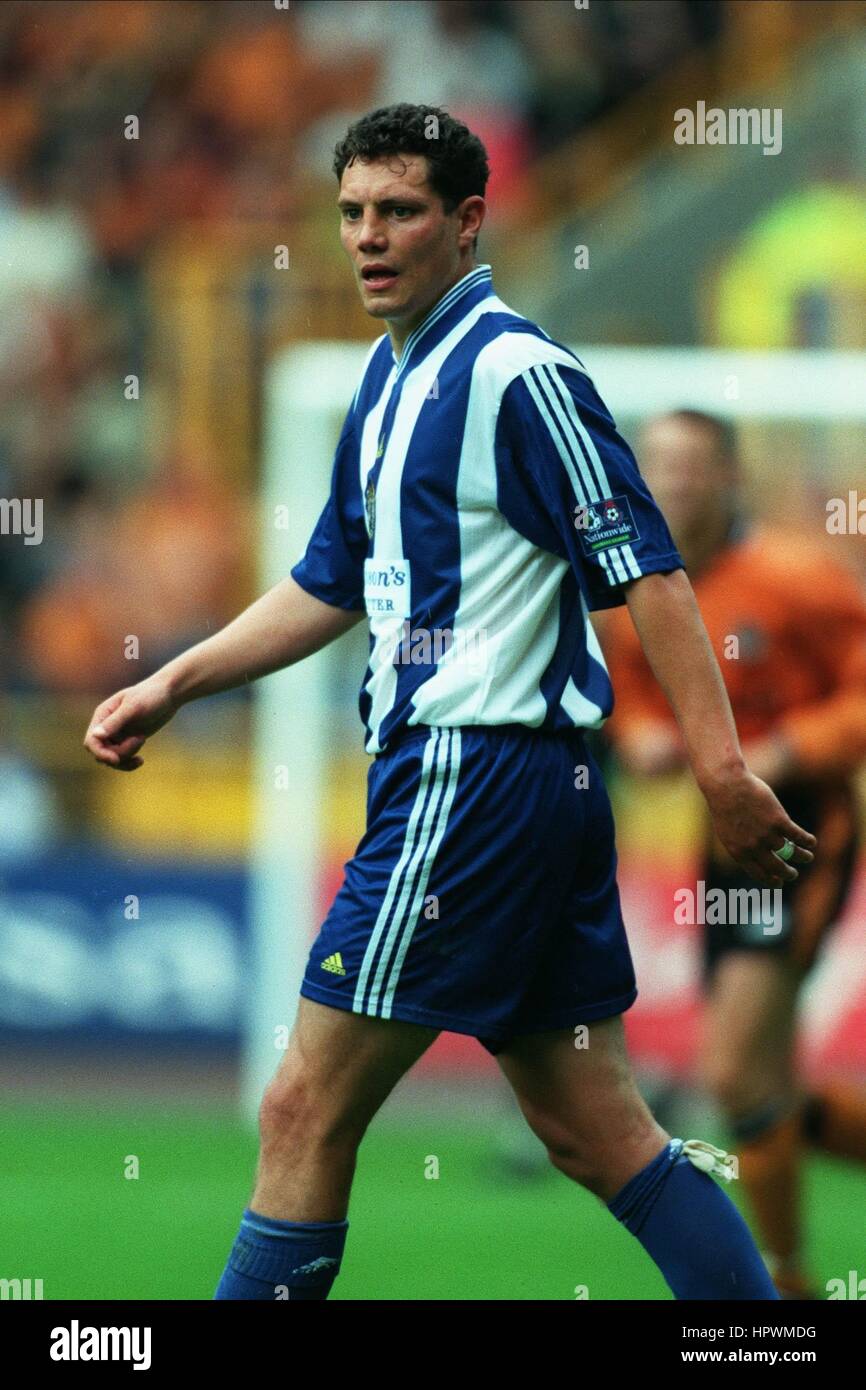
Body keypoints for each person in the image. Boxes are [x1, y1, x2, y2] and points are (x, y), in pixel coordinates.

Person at [84, 104, 815, 1302]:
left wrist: (718, 770)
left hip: (473, 780)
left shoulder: (516, 374)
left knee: (302, 1103)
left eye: (399, 211)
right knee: (596, 1131)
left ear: (467, 221)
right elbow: (331, 580)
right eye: (352, 214)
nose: (368, 238)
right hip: (513, 796)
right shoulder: (386, 375)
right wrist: (173, 679)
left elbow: (649, 567)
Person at [600, 409, 866, 1299]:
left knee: (732, 1072)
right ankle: (786, 1282)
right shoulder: (639, 587)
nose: (671, 482)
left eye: (690, 466)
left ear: (728, 479)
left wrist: (794, 746)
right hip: (722, 850)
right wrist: (639, 734)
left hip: (802, 833)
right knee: (761, 1087)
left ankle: (786, 1287)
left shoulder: (798, 580)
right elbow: (628, 691)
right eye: (658, 465)